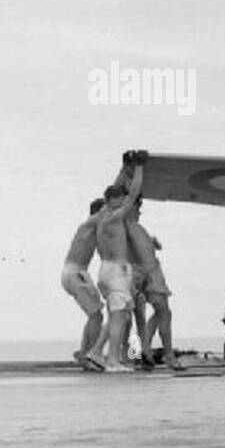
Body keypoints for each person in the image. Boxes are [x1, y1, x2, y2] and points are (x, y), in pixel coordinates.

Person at [87, 153, 145, 371]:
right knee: (121, 317)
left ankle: (96, 352)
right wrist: (138, 168)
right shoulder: (113, 216)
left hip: (109, 271)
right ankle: (113, 360)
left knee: (117, 316)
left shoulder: (102, 214)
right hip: (116, 272)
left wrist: (124, 168)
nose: (125, 201)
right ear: (113, 201)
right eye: (120, 199)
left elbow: (116, 189)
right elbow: (133, 194)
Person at [127, 198, 183, 370]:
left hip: (137, 271)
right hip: (148, 272)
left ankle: (141, 351)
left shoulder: (131, 227)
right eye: (137, 208)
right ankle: (168, 355)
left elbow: (139, 245)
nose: (139, 212)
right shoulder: (125, 223)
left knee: (142, 316)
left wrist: (152, 242)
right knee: (163, 311)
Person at [61, 198, 107, 369]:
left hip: (75, 272)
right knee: (97, 315)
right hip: (75, 272)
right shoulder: (89, 224)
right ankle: (93, 355)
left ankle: (84, 353)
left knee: (94, 315)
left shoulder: (95, 229)